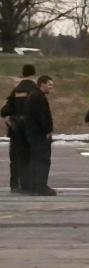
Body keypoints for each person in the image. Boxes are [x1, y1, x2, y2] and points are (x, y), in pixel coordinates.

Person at [1, 64, 38, 193]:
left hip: (16, 130)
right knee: (29, 157)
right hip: (30, 131)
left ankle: (14, 184)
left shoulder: (16, 90)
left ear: (22, 74)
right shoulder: (35, 89)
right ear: (34, 74)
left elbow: (5, 110)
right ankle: (26, 184)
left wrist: (9, 121)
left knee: (15, 158)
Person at [24, 75, 56, 196]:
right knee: (42, 160)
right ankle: (41, 186)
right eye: (49, 84)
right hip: (40, 135)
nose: (51, 87)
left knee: (35, 160)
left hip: (33, 134)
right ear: (42, 84)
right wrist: (47, 130)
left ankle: (34, 185)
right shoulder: (39, 98)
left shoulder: (33, 96)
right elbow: (42, 117)